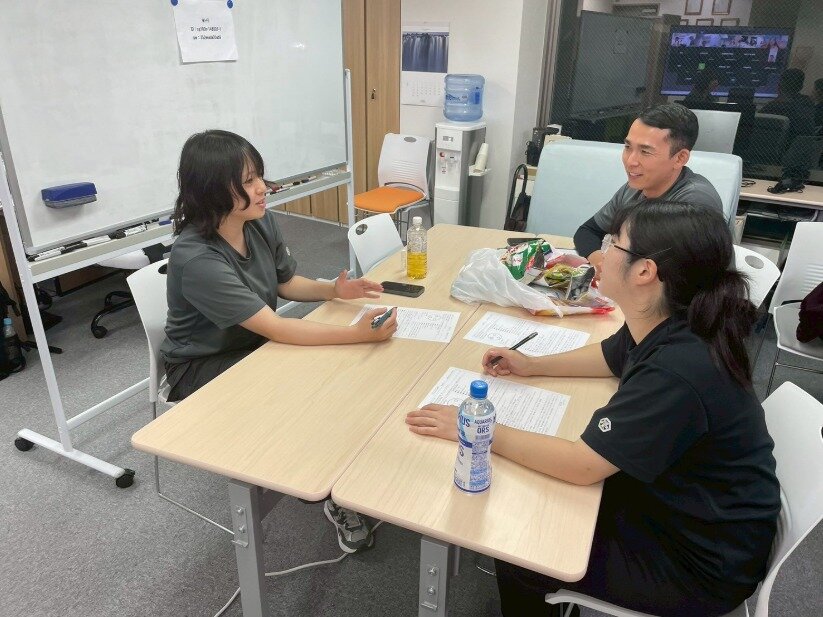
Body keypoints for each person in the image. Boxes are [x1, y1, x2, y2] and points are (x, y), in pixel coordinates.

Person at [407, 201, 781, 617]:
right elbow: (611, 355)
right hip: (684, 502)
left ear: (645, 271)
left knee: (522, 546)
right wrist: (532, 365)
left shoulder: (678, 369)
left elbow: (582, 465)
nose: (599, 255)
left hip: (699, 562)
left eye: (613, 244)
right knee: (536, 489)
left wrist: (478, 428)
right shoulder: (672, 316)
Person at [161, 129, 398, 553]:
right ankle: (331, 489)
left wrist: (333, 290)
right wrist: (354, 334)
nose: (263, 189)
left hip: (253, 342)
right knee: (311, 384)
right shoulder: (197, 257)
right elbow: (278, 328)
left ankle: (340, 466)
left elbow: (285, 283)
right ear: (213, 190)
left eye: (259, 176)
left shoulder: (257, 220)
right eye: (248, 181)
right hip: (203, 364)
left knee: (332, 371)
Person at [573, 103, 722, 268]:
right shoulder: (634, 188)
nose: (630, 161)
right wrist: (600, 263)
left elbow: (667, 273)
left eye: (645, 152)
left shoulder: (695, 202)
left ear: (680, 158)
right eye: (628, 147)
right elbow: (587, 232)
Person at [761, 68, 816, 147]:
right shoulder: (808, 103)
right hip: (800, 150)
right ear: (801, 87)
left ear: (779, 85)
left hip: (776, 150)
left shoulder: (774, 107)